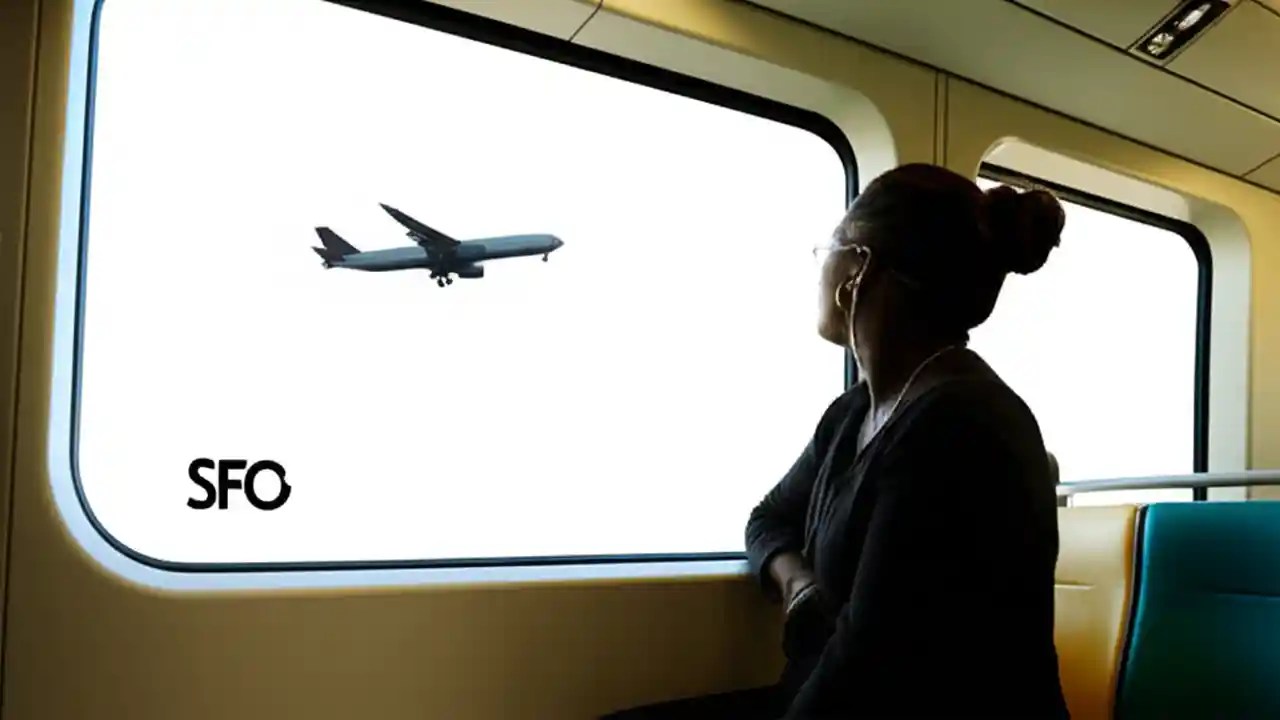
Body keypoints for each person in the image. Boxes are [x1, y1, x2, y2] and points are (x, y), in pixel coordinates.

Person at [602, 163, 1071, 719]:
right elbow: (768, 519)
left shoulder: (964, 428)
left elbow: (869, 666)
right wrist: (798, 583)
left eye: (829, 245)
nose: (819, 263)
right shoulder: (854, 414)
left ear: (858, 268)